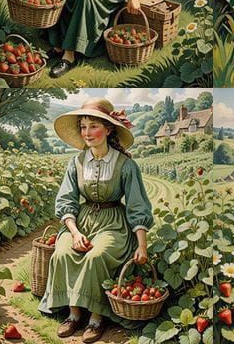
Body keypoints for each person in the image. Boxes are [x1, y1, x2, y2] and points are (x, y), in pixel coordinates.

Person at [41, 100, 154, 343]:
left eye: (93, 126)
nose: (87, 133)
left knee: (96, 256)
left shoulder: (126, 165)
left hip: (113, 223)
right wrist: (73, 232)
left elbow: (138, 206)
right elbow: (66, 200)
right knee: (62, 252)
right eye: (83, 127)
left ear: (109, 129)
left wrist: (142, 245)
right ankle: (73, 314)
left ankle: (96, 318)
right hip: (81, 221)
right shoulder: (77, 162)